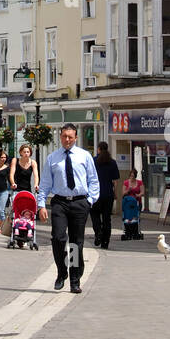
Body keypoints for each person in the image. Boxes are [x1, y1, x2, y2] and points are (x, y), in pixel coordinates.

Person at [37, 125, 100, 293]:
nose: (67, 140)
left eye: (70, 137)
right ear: (60, 137)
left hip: (80, 203)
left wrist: (90, 201)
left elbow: (93, 180)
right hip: (60, 203)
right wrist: (41, 204)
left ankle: (74, 280)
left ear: (76, 137)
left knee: (75, 243)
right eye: (64, 136)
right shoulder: (53, 158)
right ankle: (61, 271)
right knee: (57, 238)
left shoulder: (84, 156)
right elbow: (44, 184)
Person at [90, 143, 120, 249]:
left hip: (95, 194)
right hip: (108, 194)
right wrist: (115, 193)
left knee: (94, 215)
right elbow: (115, 181)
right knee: (107, 219)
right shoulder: (112, 162)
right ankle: (105, 242)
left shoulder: (93, 161)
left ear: (98, 149)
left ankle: (98, 233)